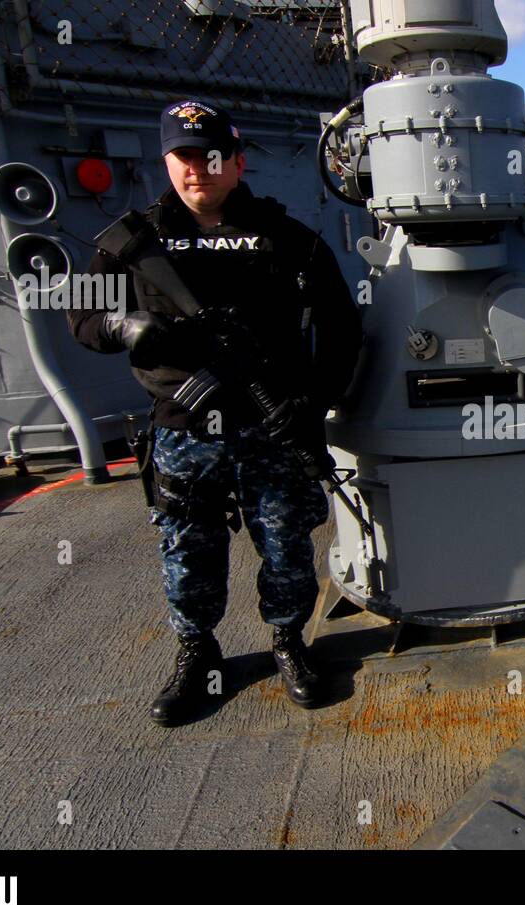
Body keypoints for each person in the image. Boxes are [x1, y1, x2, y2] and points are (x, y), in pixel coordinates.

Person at [67, 99, 361, 726]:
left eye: (211, 155)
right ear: (166, 162)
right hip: (185, 425)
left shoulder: (287, 238)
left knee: (285, 545)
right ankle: (197, 653)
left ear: (237, 160)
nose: (198, 168)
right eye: (183, 156)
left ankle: (288, 642)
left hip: (272, 424)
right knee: (188, 547)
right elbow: (82, 317)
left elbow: (341, 328)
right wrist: (126, 327)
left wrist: (313, 401)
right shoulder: (134, 242)